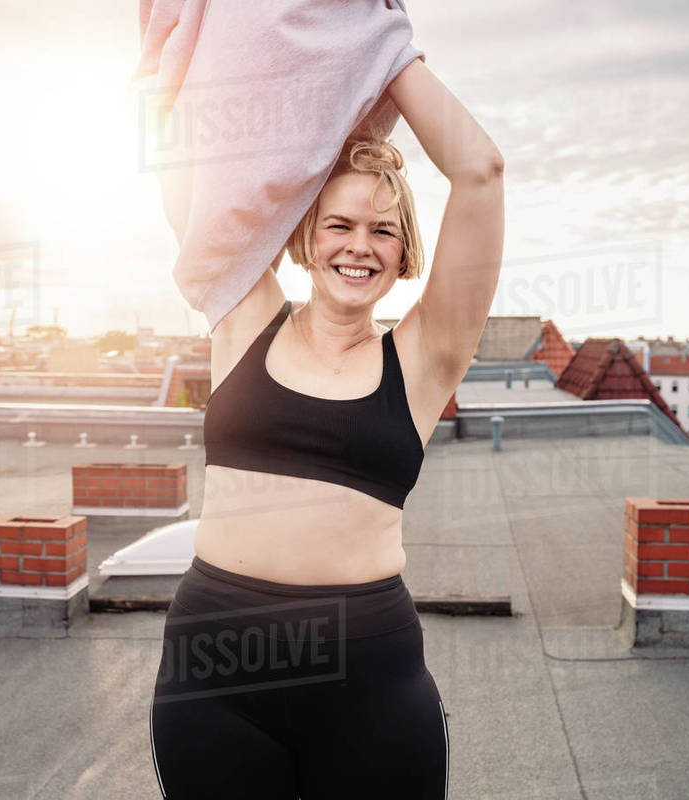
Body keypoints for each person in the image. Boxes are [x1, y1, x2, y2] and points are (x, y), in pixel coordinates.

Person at [148, 56, 504, 800]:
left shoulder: (427, 353)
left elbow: (480, 172)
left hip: (368, 681)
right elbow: (185, 149)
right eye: (339, 223)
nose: (359, 246)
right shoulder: (244, 313)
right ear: (308, 235)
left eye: (384, 231)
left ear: (405, 251)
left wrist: (385, 45)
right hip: (215, 676)